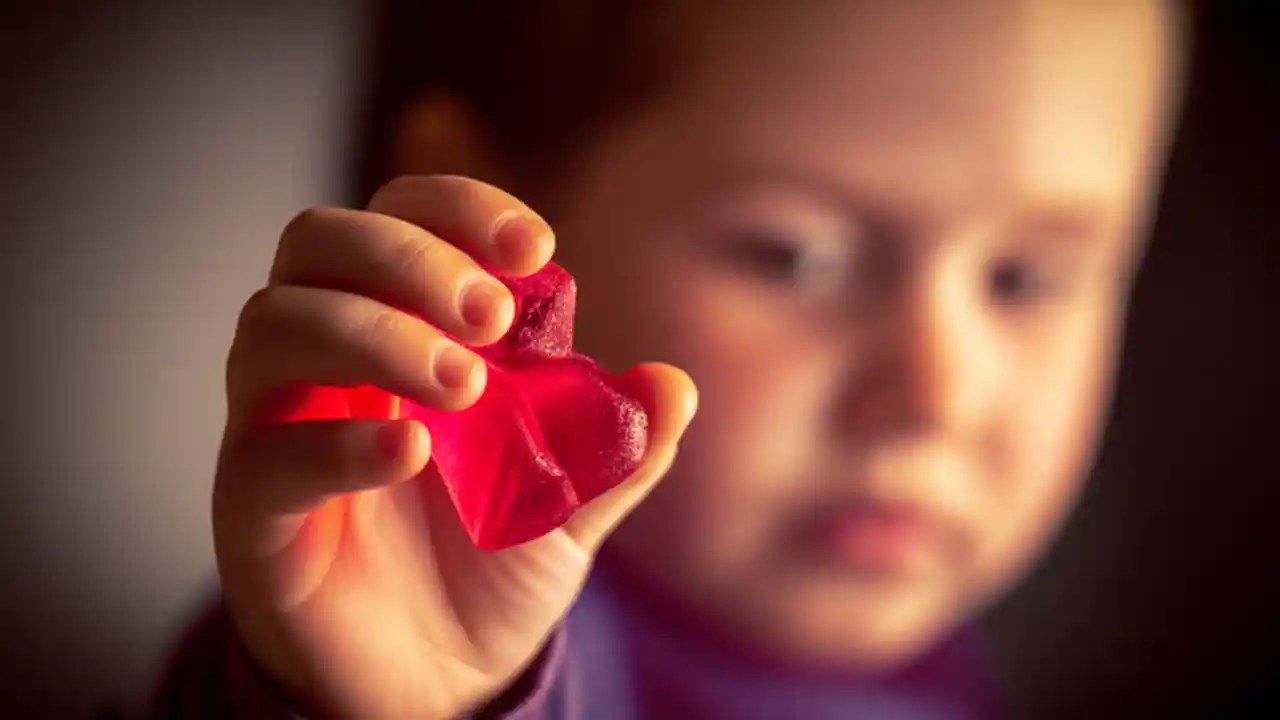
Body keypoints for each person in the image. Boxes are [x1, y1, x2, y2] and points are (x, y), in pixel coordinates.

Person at [154, 1, 1189, 717]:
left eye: (1024, 281)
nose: (934, 393)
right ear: (485, 212)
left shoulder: (949, 682)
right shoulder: (403, 622)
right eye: (793, 256)